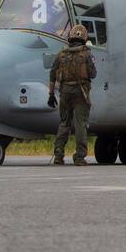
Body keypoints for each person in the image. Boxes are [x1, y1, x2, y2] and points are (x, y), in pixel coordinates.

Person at [49, 23, 97, 165]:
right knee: (80, 124)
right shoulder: (87, 53)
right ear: (84, 38)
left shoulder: (61, 54)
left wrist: (51, 94)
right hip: (81, 93)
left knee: (64, 123)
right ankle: (80, 157)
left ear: (70, 37)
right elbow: (93, 74)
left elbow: (52, 74)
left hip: (64, 92)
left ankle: (58, 155)